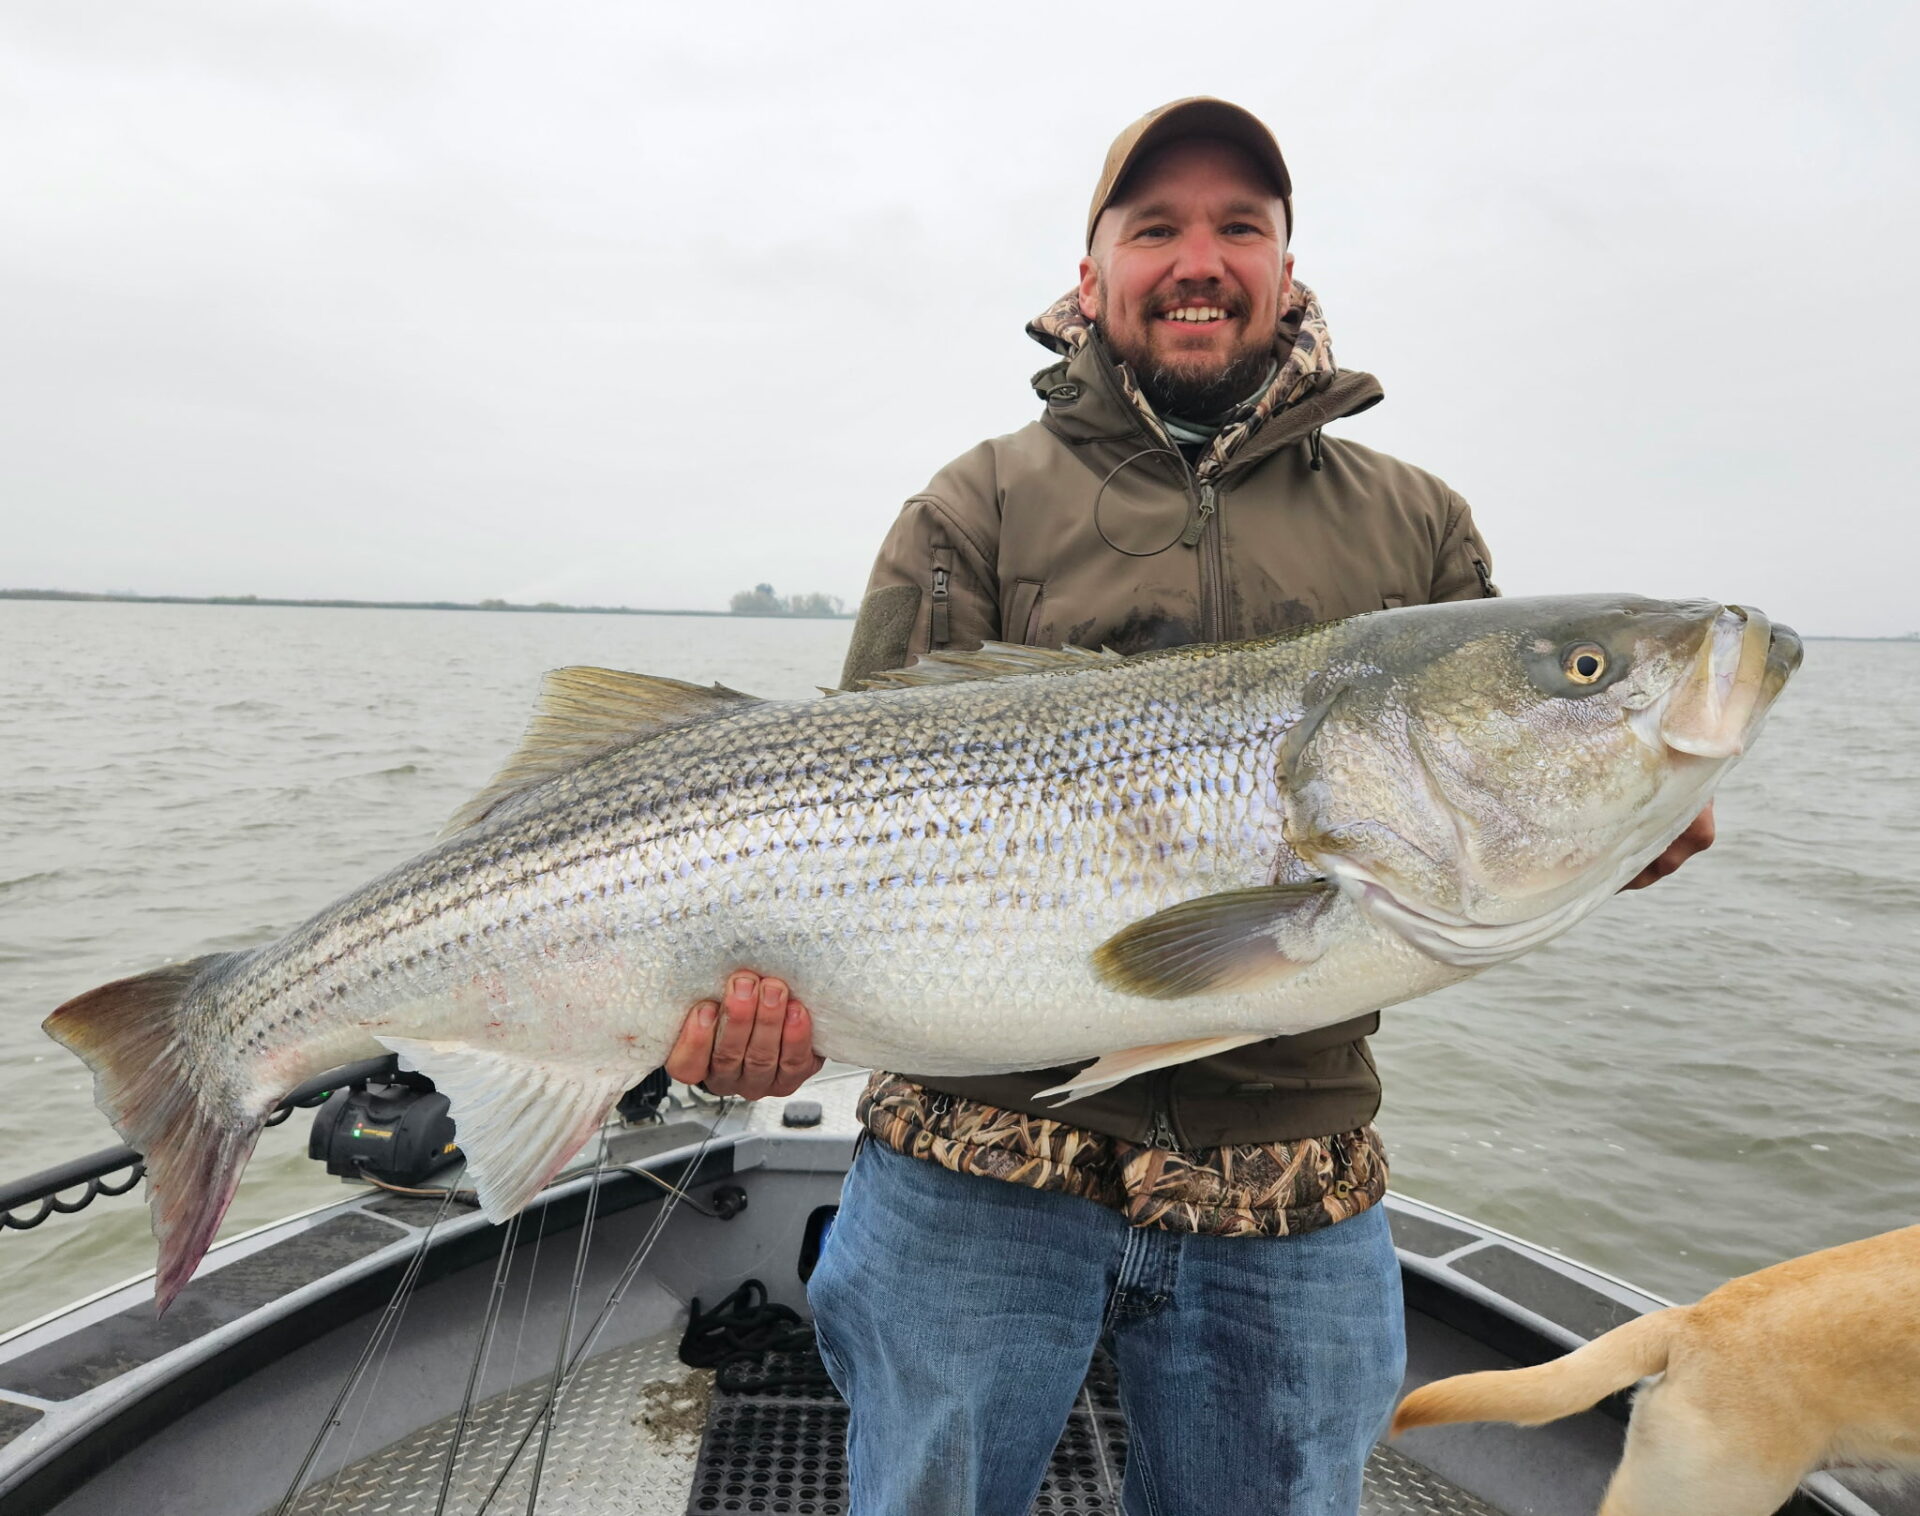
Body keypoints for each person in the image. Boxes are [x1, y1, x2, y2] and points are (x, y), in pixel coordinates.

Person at [665, 97, 1713, 1515]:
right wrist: (745, 1026)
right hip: (972, 1163)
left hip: (1290, 1170)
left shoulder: (1418, 527)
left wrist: (1618, 812)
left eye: (1242, 226)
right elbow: (838, 803)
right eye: (1154, 227)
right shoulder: (972, 506)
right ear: (1090, 276)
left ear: (1289, 266)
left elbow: (1486, 788)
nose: (1199, 258)